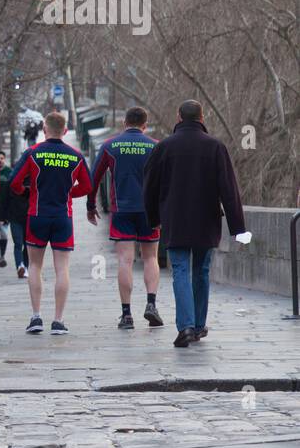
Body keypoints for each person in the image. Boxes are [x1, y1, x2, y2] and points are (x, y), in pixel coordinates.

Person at [143, 99, 249, 348]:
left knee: (180, 270)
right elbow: (229, 190)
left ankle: (186, 327)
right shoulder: (215, 147)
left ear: (179, 117)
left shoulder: (164, 147)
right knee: (201, 271)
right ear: (202, 118)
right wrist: (238, 228)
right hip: (206, 220)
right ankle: (199, 325)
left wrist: (153, 219)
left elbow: (149, 186)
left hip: (176, 220)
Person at [9, 111, 91, 335]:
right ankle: (58, 320)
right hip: (63, 216)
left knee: (35, 266)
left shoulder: (33, 153)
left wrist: (27, 192)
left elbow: (14, 182)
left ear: (45, 130)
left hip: (37, 214)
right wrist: (68, 193)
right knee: (62, 268)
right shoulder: (75, 156)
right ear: (65, 131)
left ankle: (36, 317)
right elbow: (87, 185)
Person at [86, 106, 163, 329]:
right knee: (150, 258)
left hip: (121, 209)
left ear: (124, 123)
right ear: (145, 125)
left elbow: (95, 177)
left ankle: (126, 314)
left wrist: (91, 205)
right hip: (149, 210)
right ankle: (151, 304)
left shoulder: (110, 145)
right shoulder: (155, 146)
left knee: (125, 261)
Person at [0, 152, 30, 278]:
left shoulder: (33, 180)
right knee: (18, 243)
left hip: (30, 217)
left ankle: (25, 267)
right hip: (15, 218)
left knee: (27, 245)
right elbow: (3, 200)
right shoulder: (10, 182)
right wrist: (2, 218)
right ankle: (20, 266)